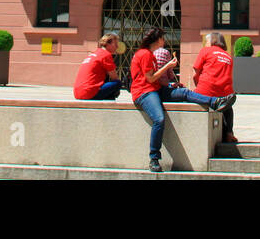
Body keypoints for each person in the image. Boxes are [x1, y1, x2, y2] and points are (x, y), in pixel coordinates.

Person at [131, 26, 235, 173]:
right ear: (157, 39)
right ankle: (154, 158)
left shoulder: (151, 55)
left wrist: (172, 85)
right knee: (159, 119)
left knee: (184, 92)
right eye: (162, 38)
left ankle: (215, 102)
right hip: (144, 93)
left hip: (156, 89)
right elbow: (150, 78)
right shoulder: (145, 54)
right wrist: (168, 65)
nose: (164, 41)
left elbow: (157, 80)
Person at [193, 33, 237, 142]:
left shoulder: (205, 51)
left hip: (206, 90)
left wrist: (198, 86)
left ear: (212, 41)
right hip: (225, 93)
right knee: (227, 108)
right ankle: (229, 133)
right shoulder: (228, 57)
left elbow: (195, 73)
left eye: (207, 41)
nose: (206, 44)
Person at [73, 33, 121, 100]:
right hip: (89, 93)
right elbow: (114, 77)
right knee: (117, 83)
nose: (117, 47)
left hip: (77, 93)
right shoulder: (106, 55)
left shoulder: (95, 53)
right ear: (108, 44)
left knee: (107, 84)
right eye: (115, 44)